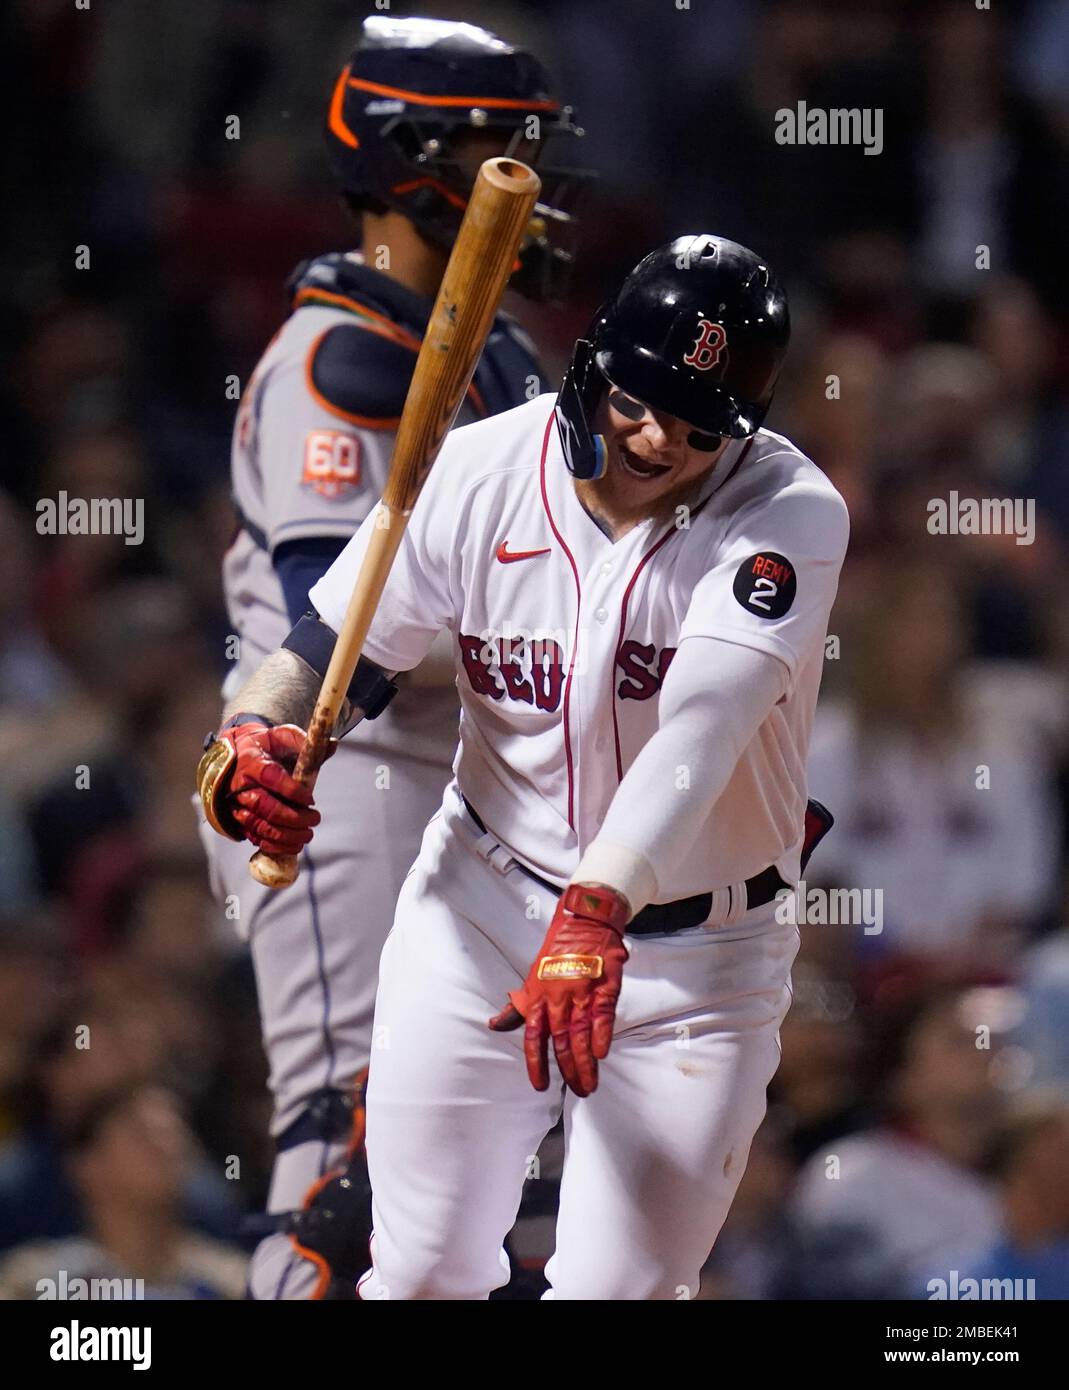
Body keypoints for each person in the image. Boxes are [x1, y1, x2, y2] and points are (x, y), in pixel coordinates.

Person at [199, 233, 849, 1299]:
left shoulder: (787, 513)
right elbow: (334, 646)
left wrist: (595, 910)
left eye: (694, 426)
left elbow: (704, 725)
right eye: (637, 400)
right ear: (593, 361)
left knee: (616, 1288)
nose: (654, 439)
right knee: (418, 1270)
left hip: (698, 957)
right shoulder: (483, 467)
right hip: (483, 905)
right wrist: (258, 737)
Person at [196, 16, 584, 1299]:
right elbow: (342, 625)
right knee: (345, 1136)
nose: (522, 172)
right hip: (328, 782)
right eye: (492, 143)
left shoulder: (501, 355)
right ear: (406, 152)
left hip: (476, 781)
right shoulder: (333, 356)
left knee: (485, 1158)